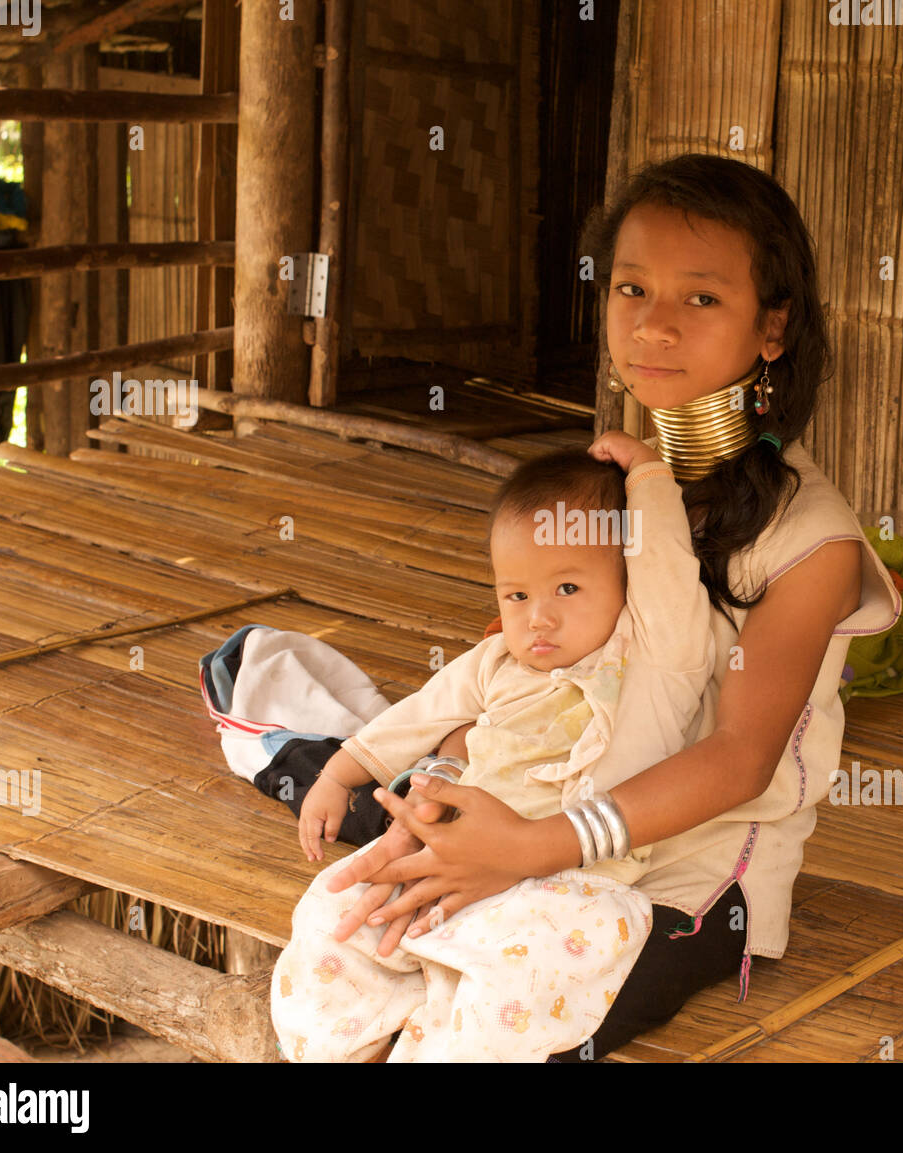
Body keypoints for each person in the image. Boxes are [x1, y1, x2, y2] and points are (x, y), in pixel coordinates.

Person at [302, 153, 902, 1062]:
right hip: (541, 824)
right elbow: (540, 646)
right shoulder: (614, 482)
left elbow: (739, 760)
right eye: (631, 288)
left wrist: (530, 846)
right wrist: (457, 784)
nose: (655, 324)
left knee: (499, 1023)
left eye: (702, 299)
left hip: (688, 883)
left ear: (771, 326)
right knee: (357, 939)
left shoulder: (809, 542)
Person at [271, 440, 721, 1061]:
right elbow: (414, 718)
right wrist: (336, 775)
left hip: (566, 885)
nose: (538, 618)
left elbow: (668, 566)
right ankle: (342, 1048)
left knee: (527, 974)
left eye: (567, 587)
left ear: (628, 576)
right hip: (451, 854)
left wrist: (646, 475)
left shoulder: (656, 660)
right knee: (331, 910)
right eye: (516, 596)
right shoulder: (493, 663)